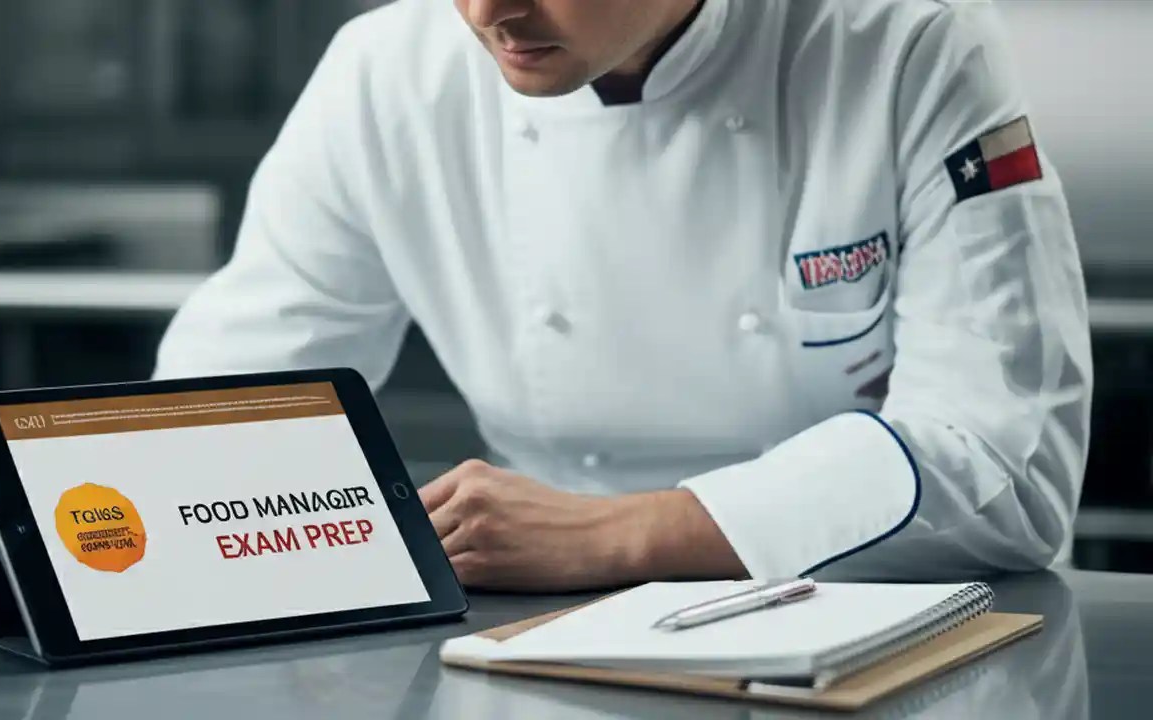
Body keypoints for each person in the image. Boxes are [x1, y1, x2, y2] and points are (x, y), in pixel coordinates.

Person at [155, 0, 1092, 590]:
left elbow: (1006, 473)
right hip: (536, 626)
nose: (490, 11)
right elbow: (224, 407)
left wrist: (622, 533)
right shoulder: (385, 75)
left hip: (877, 599)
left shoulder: (910, 47)